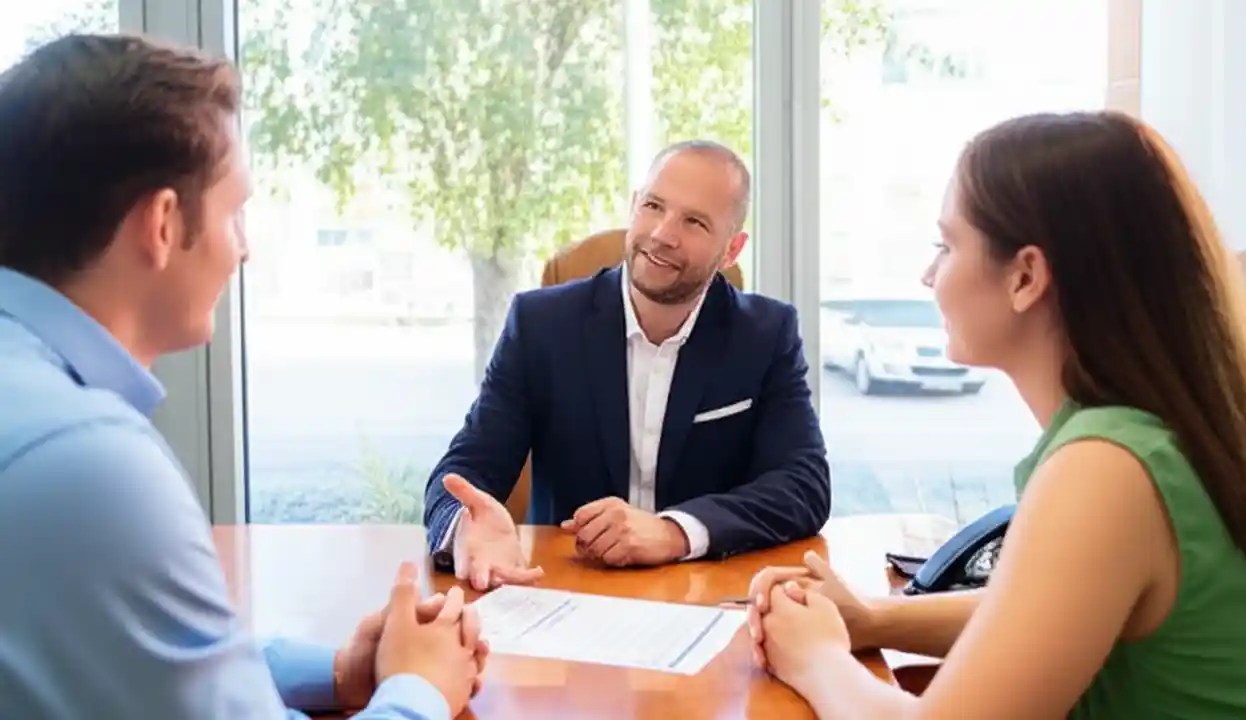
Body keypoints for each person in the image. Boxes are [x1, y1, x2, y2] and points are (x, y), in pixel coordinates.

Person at [0, 34, 485, 719]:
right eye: (234, 213)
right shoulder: (82, 459)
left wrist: (347, 672)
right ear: (162, 224)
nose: (245, 249)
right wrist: (420, 690)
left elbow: (139, 650)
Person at [746, 111, 1246, 718]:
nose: (929, 275)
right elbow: (1057, 610)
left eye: (946, 246)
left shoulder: (1110, 469)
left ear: (1026, 275)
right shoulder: (1177, 432)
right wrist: (873, 618)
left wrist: (816, 657)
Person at [424, 140, 831, 589]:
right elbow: (464, 469)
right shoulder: (541, 325)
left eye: (694, 222)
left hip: (700, 593)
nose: (662, 234)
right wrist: (466, 528)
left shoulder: (766, 333)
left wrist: (674, 531)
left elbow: (803, 484)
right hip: (564, 589)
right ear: (635, 205)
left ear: (731, 249)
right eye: (654, 206)